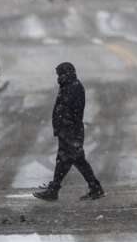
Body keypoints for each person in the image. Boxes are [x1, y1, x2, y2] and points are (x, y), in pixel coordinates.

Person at [34, 62, 103, 201]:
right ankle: (93, 188)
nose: (58, 77)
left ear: (65, 74)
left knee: (68, 160)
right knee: (69, 160)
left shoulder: (73, 87)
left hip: (70, 132)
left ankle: (55, 190)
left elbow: (71, 111)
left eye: (59, 74)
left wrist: (66, 128)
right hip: (67, 131)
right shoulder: (68, 86)